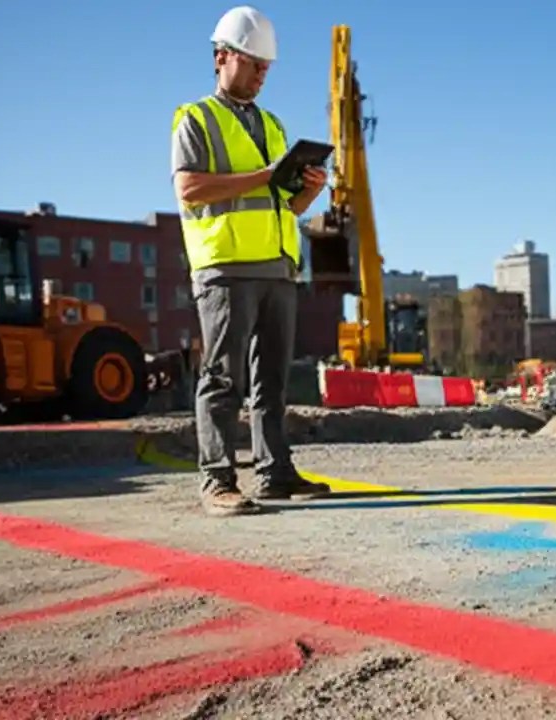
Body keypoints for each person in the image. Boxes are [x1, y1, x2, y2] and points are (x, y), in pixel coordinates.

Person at [171, 5, 332, 517]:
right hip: (226, 267)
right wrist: (265, 174)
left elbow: (283, 204)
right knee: (223, 378)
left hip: (277, 267)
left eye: (267, 66)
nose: (262, 73)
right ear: (222, 57)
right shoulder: (196, 119)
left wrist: (309, 191)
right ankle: (217, 480)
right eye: (253, 62)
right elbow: (189, 188)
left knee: (272, 382)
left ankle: (274, 473)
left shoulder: (273, 125)